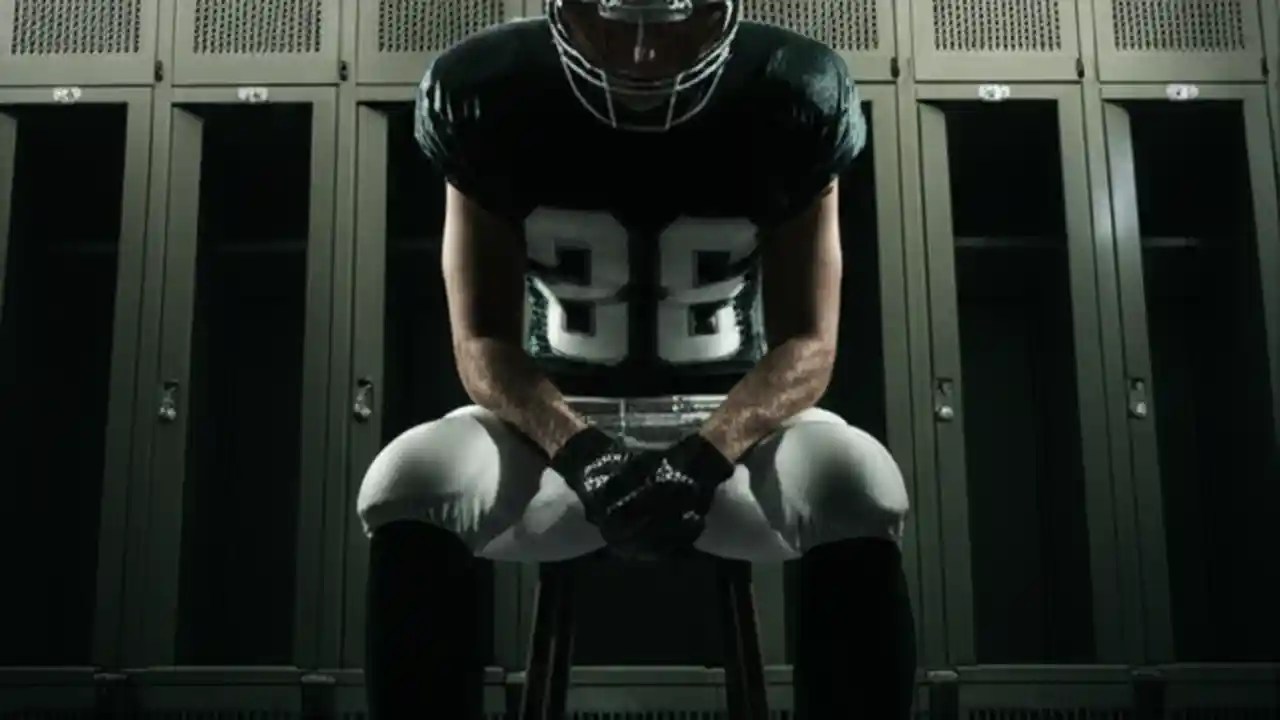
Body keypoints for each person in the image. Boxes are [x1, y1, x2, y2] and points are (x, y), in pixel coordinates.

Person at [356, 1, 916, 716]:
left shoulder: (792, 91)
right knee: (407, 481)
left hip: (734, 432)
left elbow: (809, 345)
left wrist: (707, 455)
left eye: (673, 21)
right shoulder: (488, 93)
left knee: (860, 486)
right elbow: (481, 343)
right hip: (550, 433)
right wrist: (580, 450)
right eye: (615, 22)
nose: (645, 55)